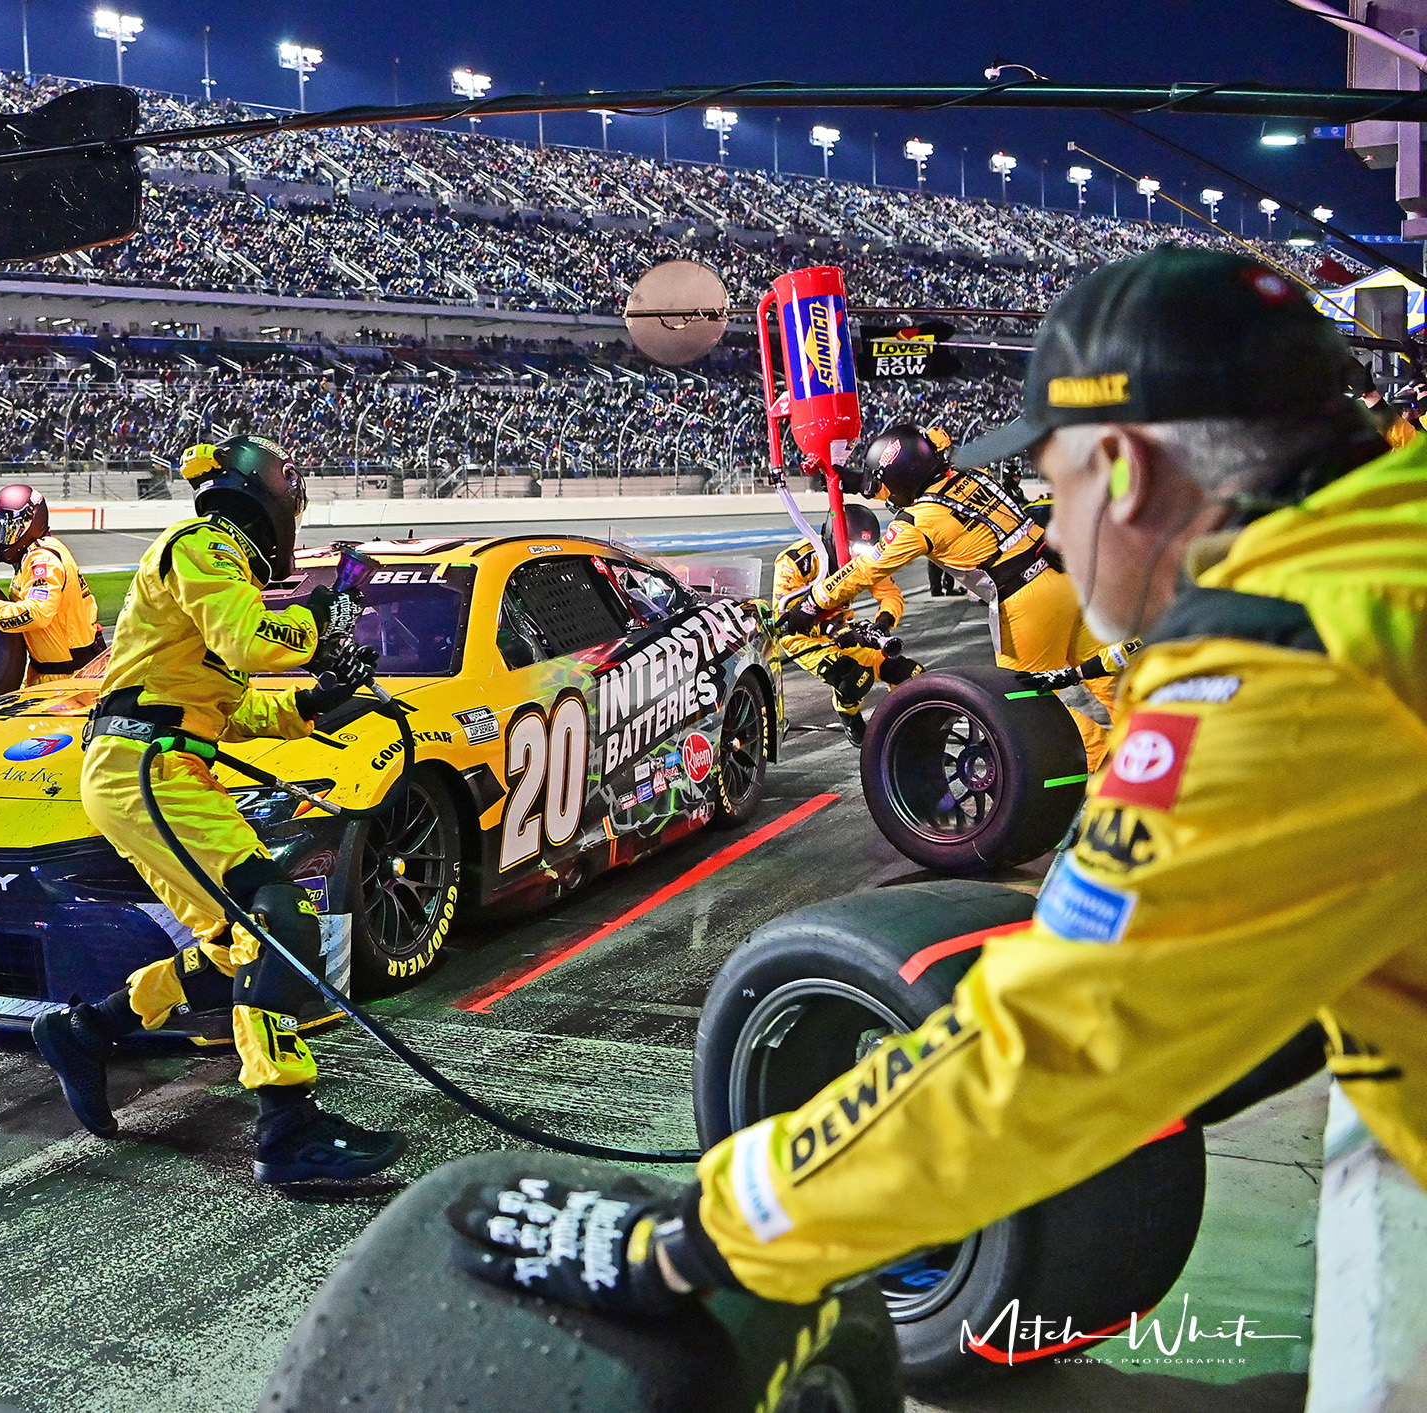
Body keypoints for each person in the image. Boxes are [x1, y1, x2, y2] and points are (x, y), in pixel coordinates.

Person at [445, 249, 1427, 1396]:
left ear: (1121, 466)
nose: (1051, 528)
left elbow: (1047, 1052)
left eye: (1052, 489)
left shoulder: (1283, 669)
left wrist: (690, 1240)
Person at [29, 435, 406, 1185]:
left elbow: (230, 710)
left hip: (161, 765)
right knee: (279, 922)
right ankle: (286, 1125)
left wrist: (314, 701)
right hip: (145, 765)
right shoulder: (204, 544)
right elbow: (250, 637)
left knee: (243, 944)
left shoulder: (211, 577)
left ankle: (86, 1029)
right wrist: (317, 624)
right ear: (268, 498)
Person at [779, 419, 1125, 770]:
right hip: (1067, 577)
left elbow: (866, 569)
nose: (886, 493)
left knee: (1025, 701)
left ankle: (1110, 761)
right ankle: (1154, 749)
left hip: (1027, 601)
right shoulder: (972, 473)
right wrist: (856, 482)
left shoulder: (920, 520)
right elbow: (910, 476)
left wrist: (813, 604)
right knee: (1106, 676)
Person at [769, 504, 921, 745]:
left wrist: (883, 623)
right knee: (854, 679)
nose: (860, 557)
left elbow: (890, 594)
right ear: (834, 540)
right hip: (805, 638)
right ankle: (849, 715)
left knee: (911, 675)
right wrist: (831, 629)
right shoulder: (795, 563)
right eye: (856, 549)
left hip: (846, 630)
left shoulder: (866, 560)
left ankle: (909, 733)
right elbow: (787, 623)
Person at [0, 483, 103, 685]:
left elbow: (36, 614)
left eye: (7, 530)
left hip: (72, 678)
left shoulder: (43, 560)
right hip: (48, 672)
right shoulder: (31, 556)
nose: (0, 539)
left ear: (30, 522)